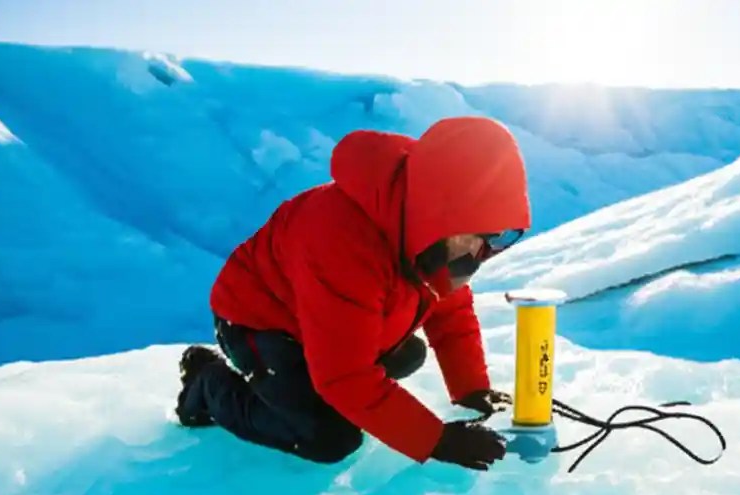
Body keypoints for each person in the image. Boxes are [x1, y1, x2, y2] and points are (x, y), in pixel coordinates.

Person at [175, 116, 531, 471]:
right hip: (258, 321)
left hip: (319, 319)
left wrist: (472, 391)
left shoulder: (430, 235)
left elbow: (451, 314)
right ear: (442, 215)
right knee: (327, 437)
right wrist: (436, 440)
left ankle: (302, 386)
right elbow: (345, 376)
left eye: (502, 238)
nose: (484, 252)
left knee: (407, 355)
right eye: (481, 236)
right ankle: (207, 385)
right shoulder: (341, 240)